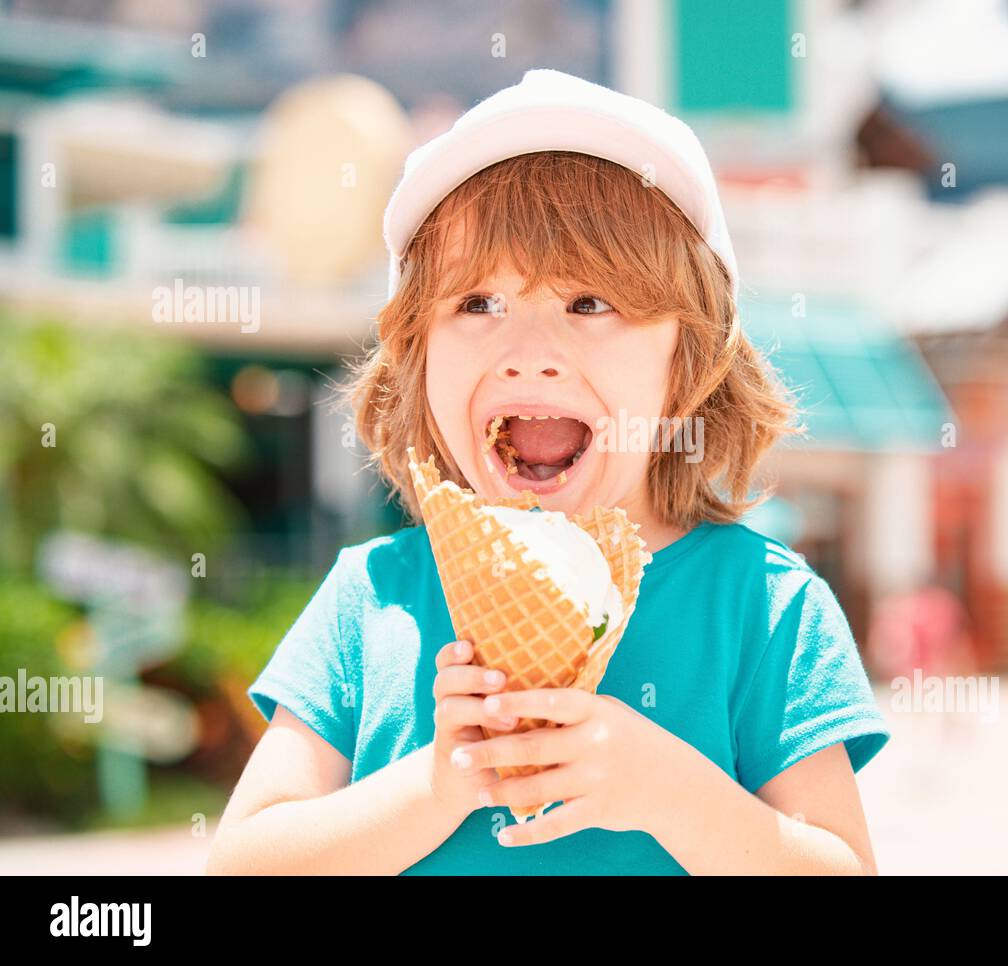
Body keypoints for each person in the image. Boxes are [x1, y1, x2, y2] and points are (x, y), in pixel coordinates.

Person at [207, 69, 891, 875]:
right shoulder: (373, 598)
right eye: (478, 305)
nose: (530, 355)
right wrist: (438, 784)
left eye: (592, 304)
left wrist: (672, 791)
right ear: (416, 362)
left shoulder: (763, 608)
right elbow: (241, 864)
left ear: (690, 365)